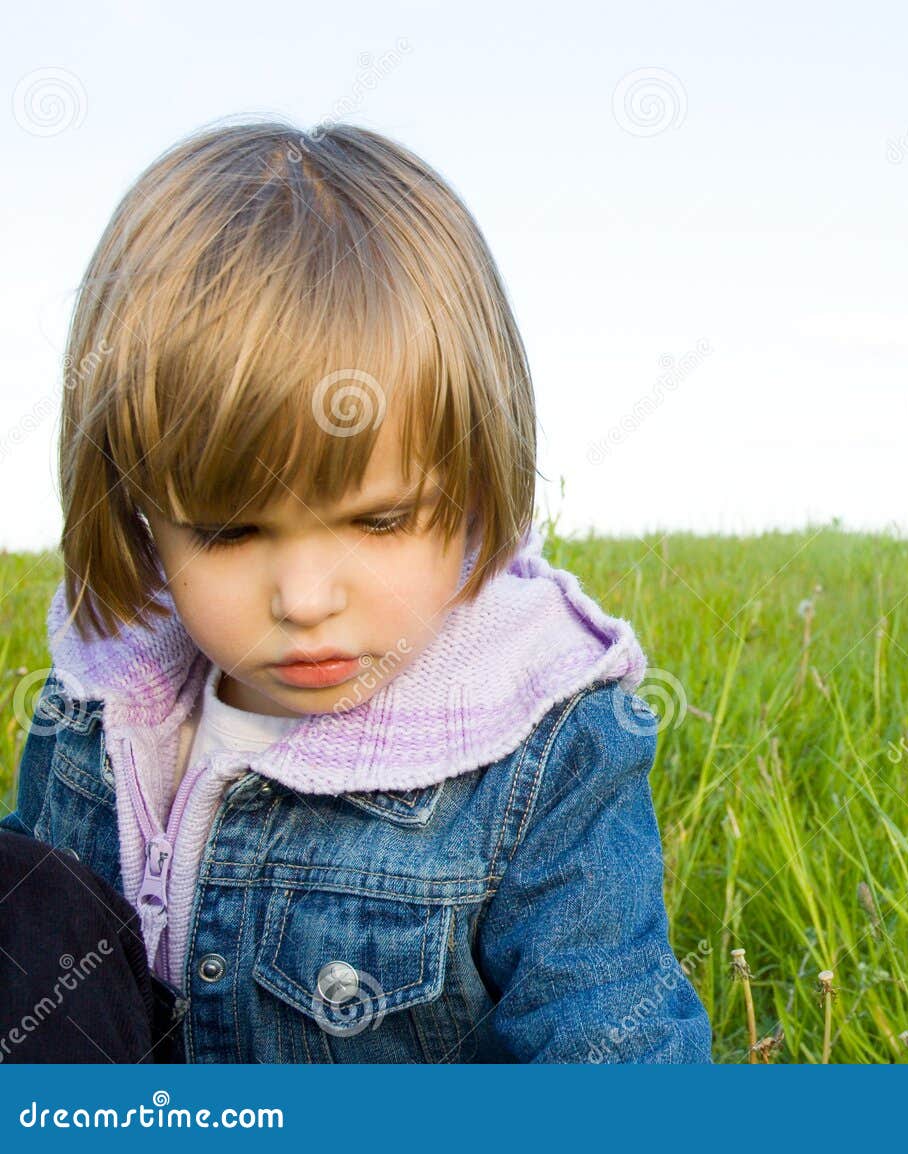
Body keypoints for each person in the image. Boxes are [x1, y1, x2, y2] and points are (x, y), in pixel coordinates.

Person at [0, 120, 712, 1063]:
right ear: (137, 510)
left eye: (379, 523)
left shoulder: (539, 742)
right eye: (227, 531)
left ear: (474, 484)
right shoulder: (102, 701)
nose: (303, 597)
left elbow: (611, 1042)